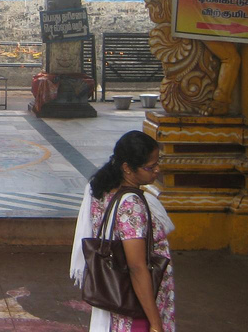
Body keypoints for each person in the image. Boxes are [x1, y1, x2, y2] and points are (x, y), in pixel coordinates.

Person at [71, 130, 175, 332]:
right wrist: (155, 322)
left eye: (157, 163)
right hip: (137, 301)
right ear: (127, 168)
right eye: (150, 167)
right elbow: (137, 266)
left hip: (113, 296)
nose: (157, 171)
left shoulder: (101, 190)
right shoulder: (131, 205)